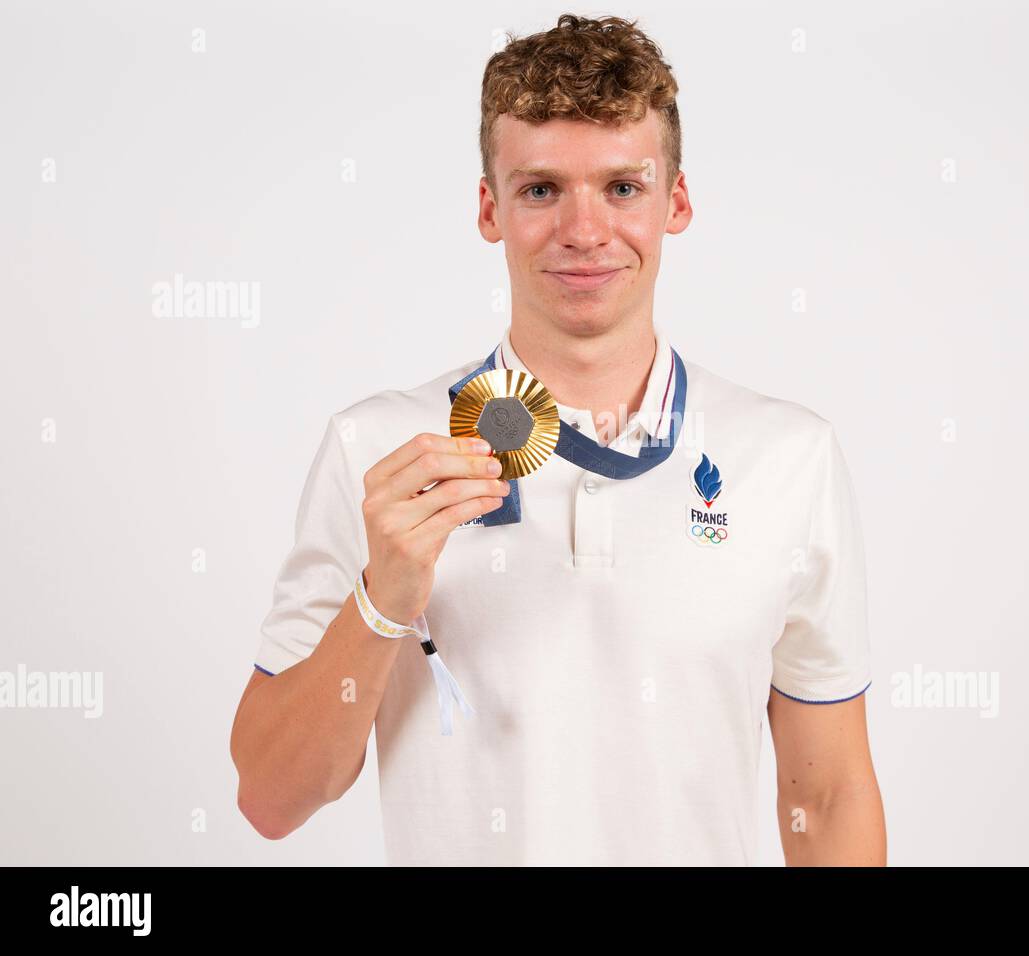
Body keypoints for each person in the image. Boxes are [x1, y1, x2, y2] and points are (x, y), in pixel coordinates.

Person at [230, 12, 885, 866]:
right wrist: (380, 598)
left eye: (622, 187)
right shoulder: (379, 450)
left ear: (675, 202)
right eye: (541, 189)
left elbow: (827, 796)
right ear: (489, 208)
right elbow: (271, 800)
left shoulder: (789, 458)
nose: (583, 231)